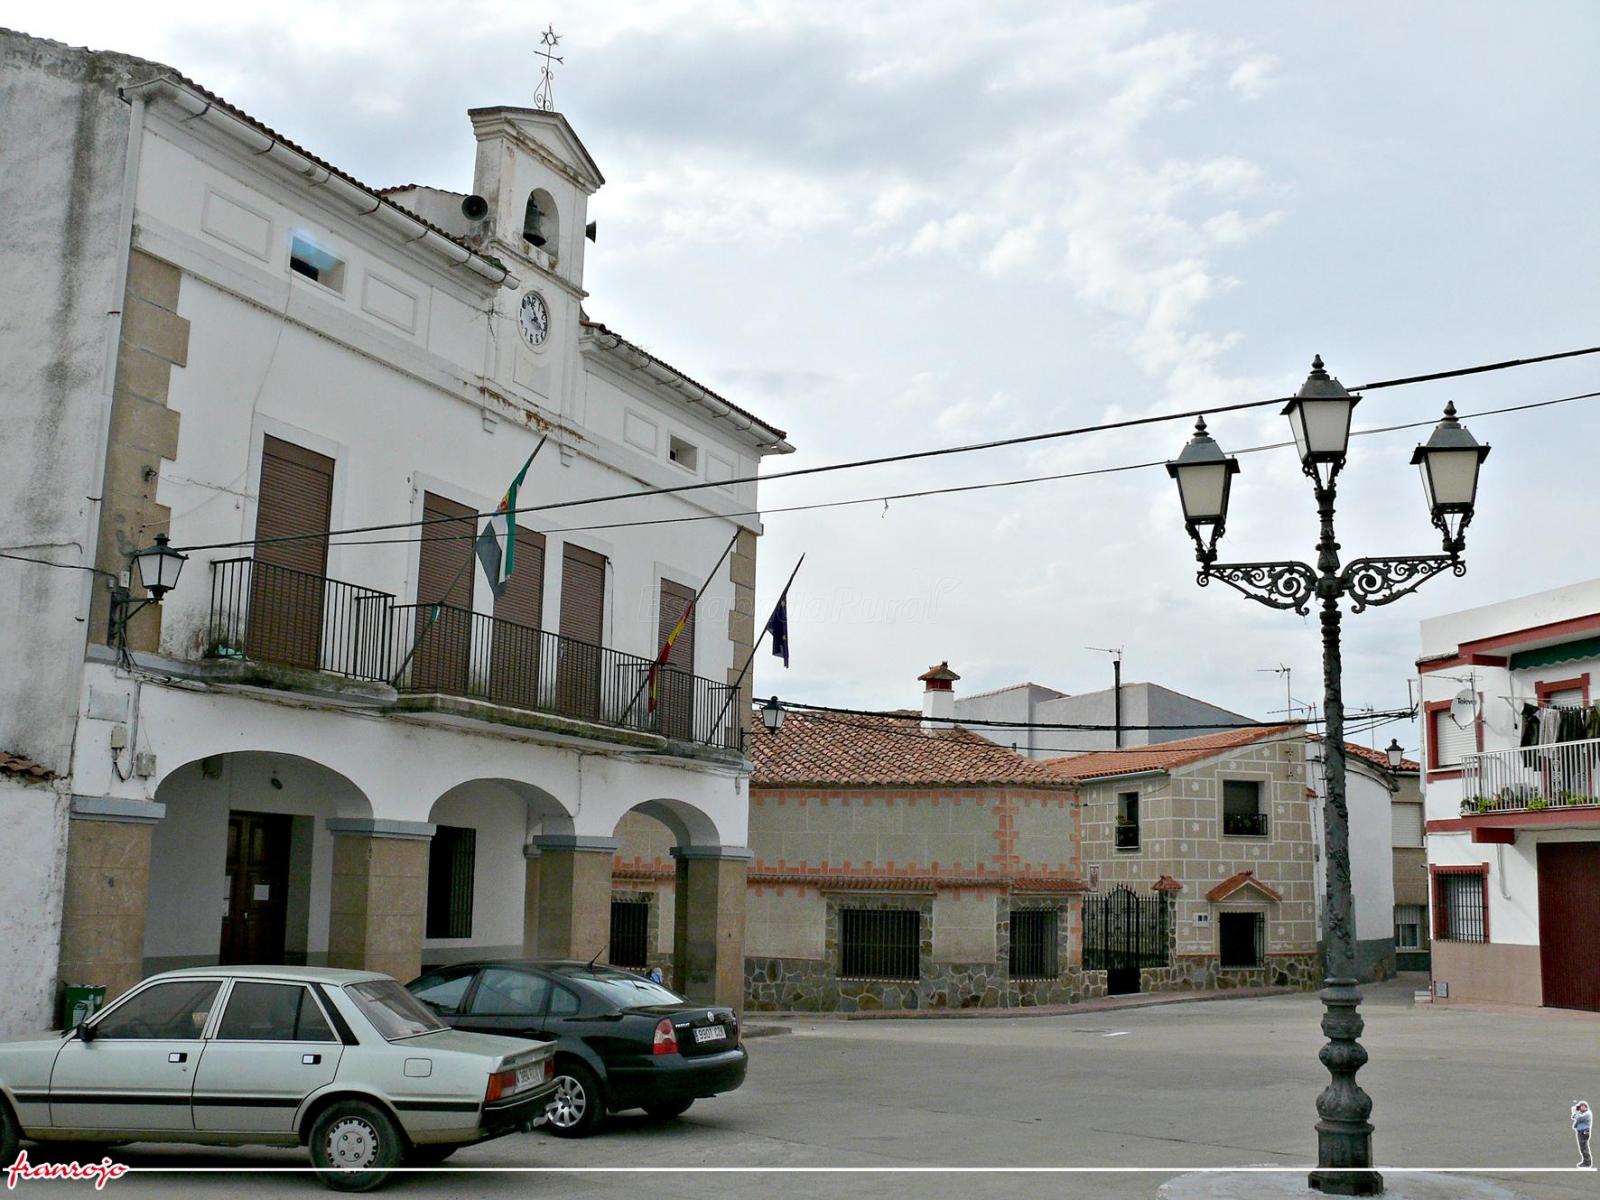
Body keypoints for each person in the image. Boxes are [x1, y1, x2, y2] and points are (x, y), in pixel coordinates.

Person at [1573, 1100, 1592, 1168]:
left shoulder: (1587, 1113)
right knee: (1582, 1148)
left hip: (1584, 1132)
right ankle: (1585, 1161)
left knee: (1584, 1147)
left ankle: (1588, 1162)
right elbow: (1573, 1117)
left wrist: (1575, 1111)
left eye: (1581, 1106)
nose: (1580, 1108)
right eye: (1580, 1107)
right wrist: (1576, 1112)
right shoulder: (1582, 1113)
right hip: (1580, 1132)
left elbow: (1578, 1117)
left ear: (1585, 1107)